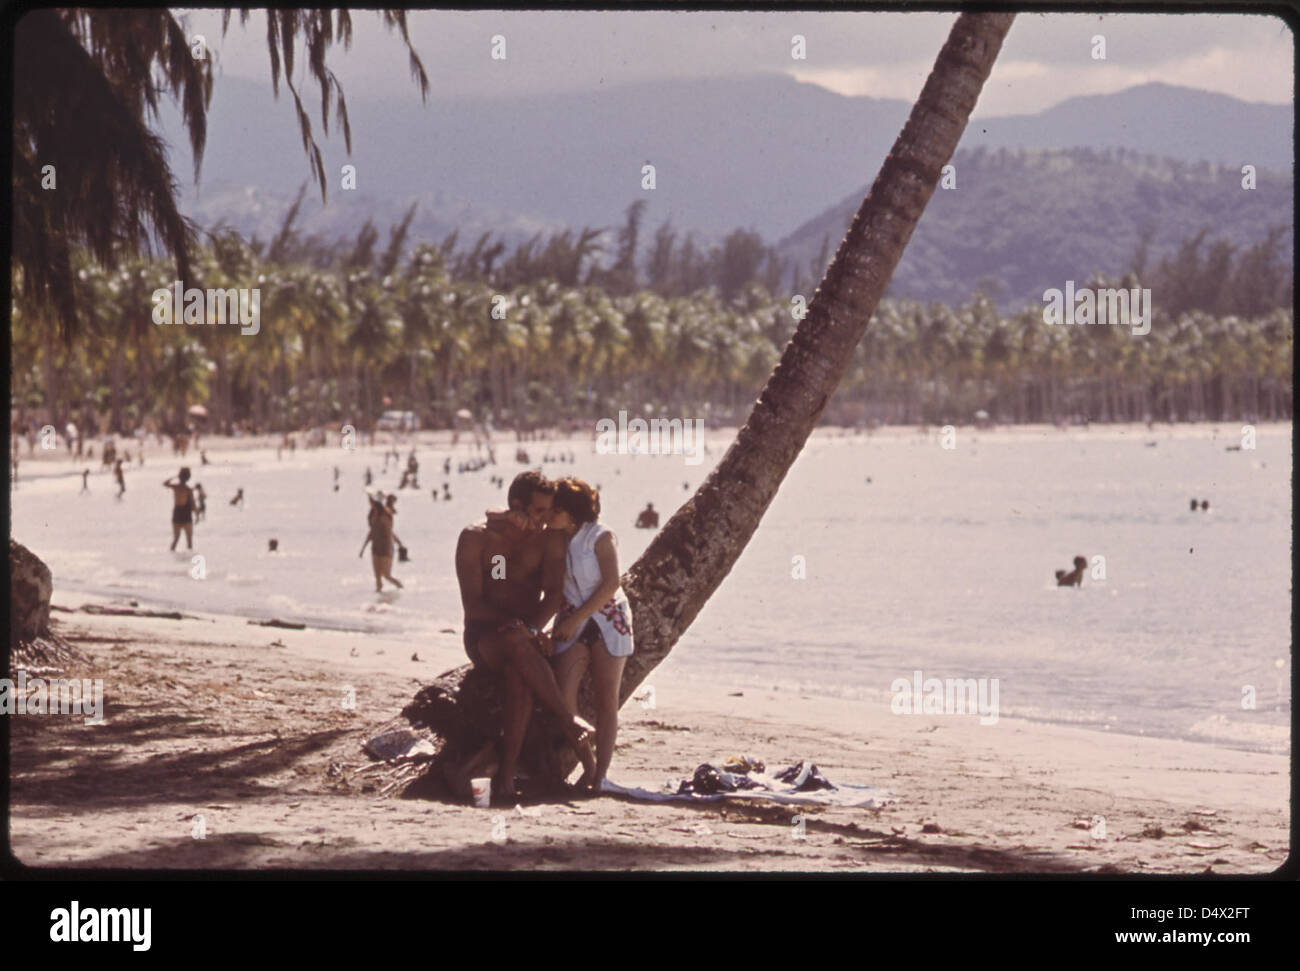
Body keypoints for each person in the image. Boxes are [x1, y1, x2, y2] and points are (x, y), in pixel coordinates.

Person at [453, 471, 596, 801]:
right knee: (515, 644)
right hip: (485, 638)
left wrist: (531, 629)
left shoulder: (549, 540)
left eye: (550, 511)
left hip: (525, 636)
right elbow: (474, 606)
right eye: (540, 511)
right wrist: (518, 628)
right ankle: (569, 718)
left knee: (520, 677)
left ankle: (505, 779)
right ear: (517, 506)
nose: (547, 519)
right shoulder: (479, 539)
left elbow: (554, 593)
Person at [546, 477, 634, 791]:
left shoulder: (601, 536)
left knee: (606, 700)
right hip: (572, 621)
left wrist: (576, 619)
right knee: (565, 702)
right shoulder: (554, 538)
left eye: (555, 510)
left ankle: (600, 777)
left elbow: (611, 583)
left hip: (610, 619)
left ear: (571, 512)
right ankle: (588, 763)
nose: (548, 515)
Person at [359, 492, 404, 592]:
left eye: (371, 502)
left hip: (386, 548)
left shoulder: (385, 515)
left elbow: (390, 532)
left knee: (386, 575)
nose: (370, 503)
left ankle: (401, 589)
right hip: (375, 547)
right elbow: (371, 532)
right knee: (377, 577)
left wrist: (399, 544)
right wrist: (363, 548)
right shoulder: (372, 515)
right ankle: (379, 600)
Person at [164, 467, 195, 551]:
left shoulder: (176, 487)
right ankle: (189, 561)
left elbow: (165, 483)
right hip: (186, 514)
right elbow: (193, 505)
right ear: (188, 478)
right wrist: (197, 515)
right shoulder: (188, 490)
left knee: (176, 539)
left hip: (177, 513)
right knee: (189, 541)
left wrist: (175, 476)